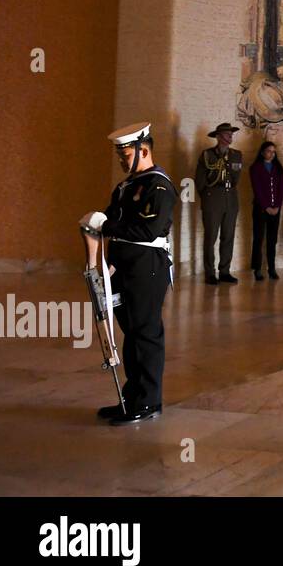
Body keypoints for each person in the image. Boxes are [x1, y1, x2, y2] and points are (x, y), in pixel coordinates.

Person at [80, 123, 174, 425]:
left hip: (147, 268)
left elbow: (149, 230)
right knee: (131, 334)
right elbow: (112, 221)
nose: (122, 160)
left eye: (126, 153)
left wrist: (105, 226)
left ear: (143, 151)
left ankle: (149, 402)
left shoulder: (158, 186)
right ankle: (131, 398)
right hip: (123, 268)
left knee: (146, 334)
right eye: (120, 154)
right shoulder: (126, 186)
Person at [194, 122, 243, 284]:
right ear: (219, 136)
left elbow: (236, 177)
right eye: (227, 134)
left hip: (231, 197)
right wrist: (208, 196)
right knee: (211, 237)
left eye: (231, 134)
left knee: (228, 236)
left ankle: (224, 271)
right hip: (212, 196)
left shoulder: (236, 154)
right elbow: (200, 180)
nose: (231, 136)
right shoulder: (208, 155)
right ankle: (210, 272)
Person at [248, 141, 283, 280]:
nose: (272, 154)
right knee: (258, 239)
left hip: (275, 210)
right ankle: (257, 269)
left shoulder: (278, 168)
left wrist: (277, 207)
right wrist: (266, 207)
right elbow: (257, 190)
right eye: (269, 151)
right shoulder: (255, 168)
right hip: (261, 209)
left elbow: (281, 189)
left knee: (272, 240)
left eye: (274, 152)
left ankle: (272, 268)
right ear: (262, 152)